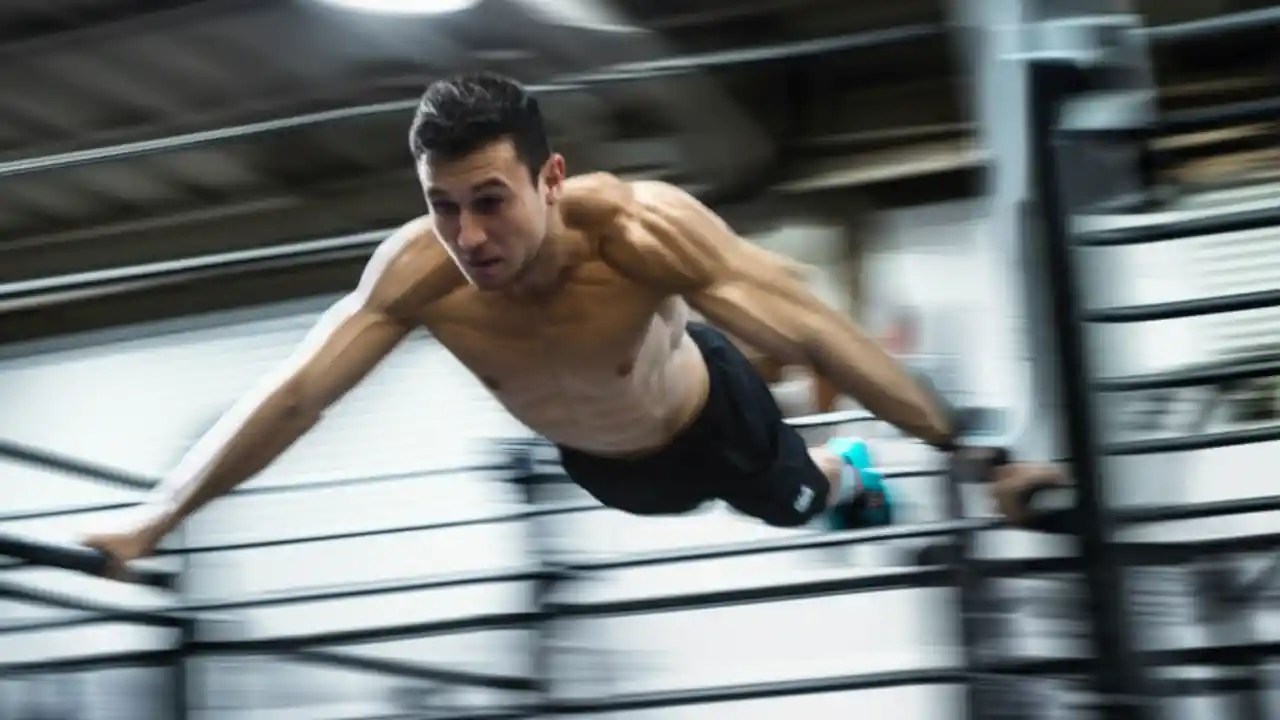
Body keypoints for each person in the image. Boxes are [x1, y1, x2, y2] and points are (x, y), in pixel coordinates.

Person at [83, 72, 1061, 575]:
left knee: (797, 500)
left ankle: (846, 474)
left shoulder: (638, 232)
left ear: (551, 179)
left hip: (712, 423)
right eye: (440, 203)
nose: (466, 234)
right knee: (689, 448)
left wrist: (981, 459)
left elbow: (815, 327)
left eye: (490, 199)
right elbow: (295, 395)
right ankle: (817, 443)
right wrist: (154, 521)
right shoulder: (416, 274)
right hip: (601, 468)